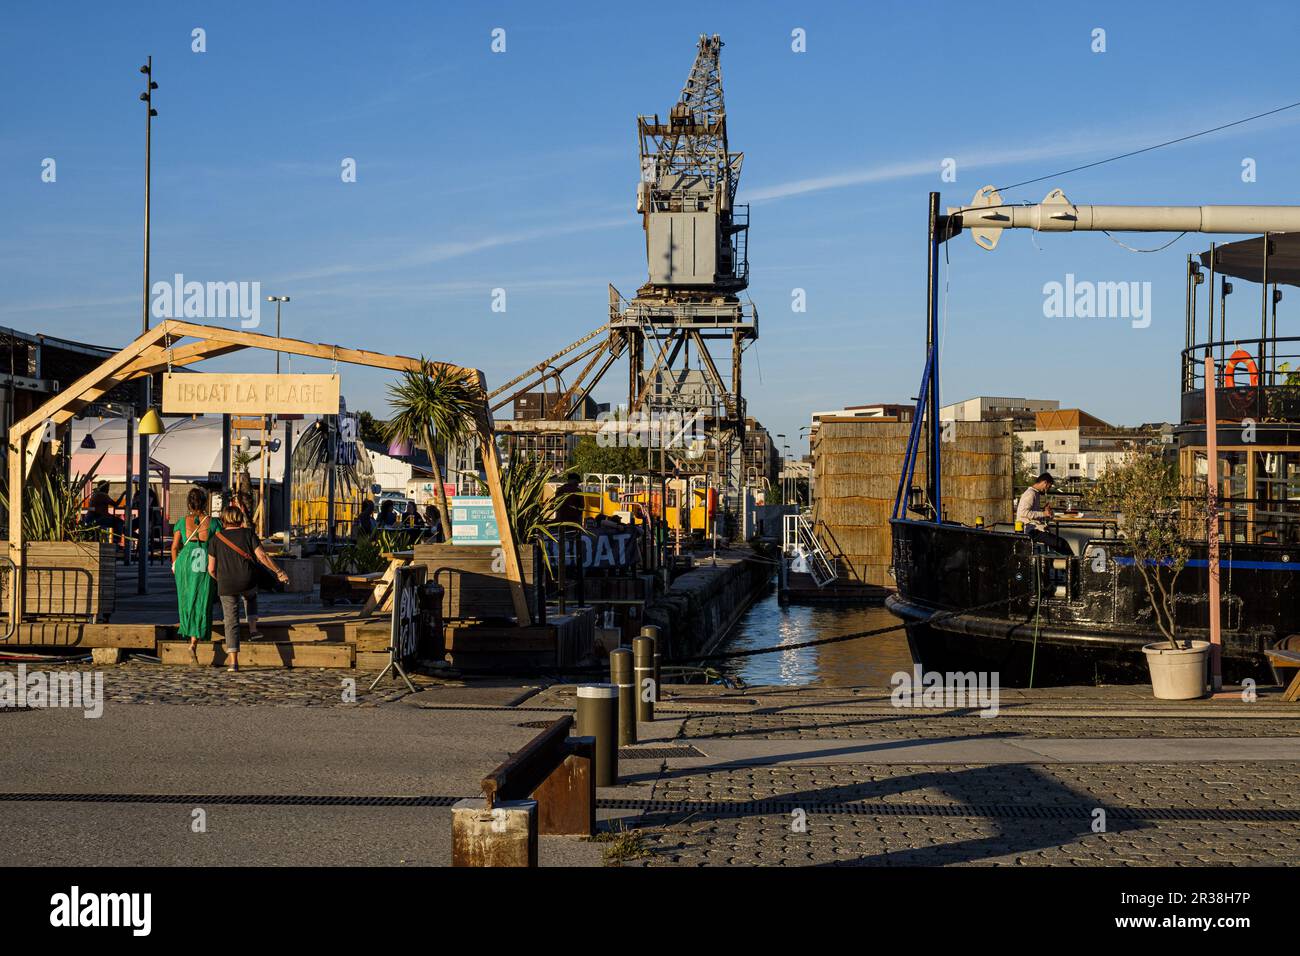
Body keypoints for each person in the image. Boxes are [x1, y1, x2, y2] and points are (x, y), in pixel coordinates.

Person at [208, 504, 289, 672]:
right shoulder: (248, 534)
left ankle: (233, 662)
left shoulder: (215, 539)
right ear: (240, 519)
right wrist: (279, 571)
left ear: (223, 520)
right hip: (247, 580)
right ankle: (253, 628)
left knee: (230, 621)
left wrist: (221, 579)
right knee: (251, 595)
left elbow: (211, 569)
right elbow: (262, 556)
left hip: (226, 584)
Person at [171, 488, 221, 665]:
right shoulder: (214, 523)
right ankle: (194, 642)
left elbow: (175, 547)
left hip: (185, 562)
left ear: (189, 503)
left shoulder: (181, 522)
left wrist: (175, 564)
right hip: (204, 562)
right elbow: (220, 545)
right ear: (205, 502)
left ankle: (188, 632)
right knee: (203, 601)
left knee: (186, 600)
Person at [1016, 472, 1072, 555]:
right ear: (1044, 482)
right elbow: (1023, 512)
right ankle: (1073, 565)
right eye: (1048, 486)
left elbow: (1032, 514)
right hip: (1030, 530)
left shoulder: (1035, 493)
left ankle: (1066, 563)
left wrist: (1045, 512)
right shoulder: (1030, 494)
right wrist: (1043, 513)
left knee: (1060, 543)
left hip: (1033, 528)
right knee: (1062, 544)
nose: (1047, 490)